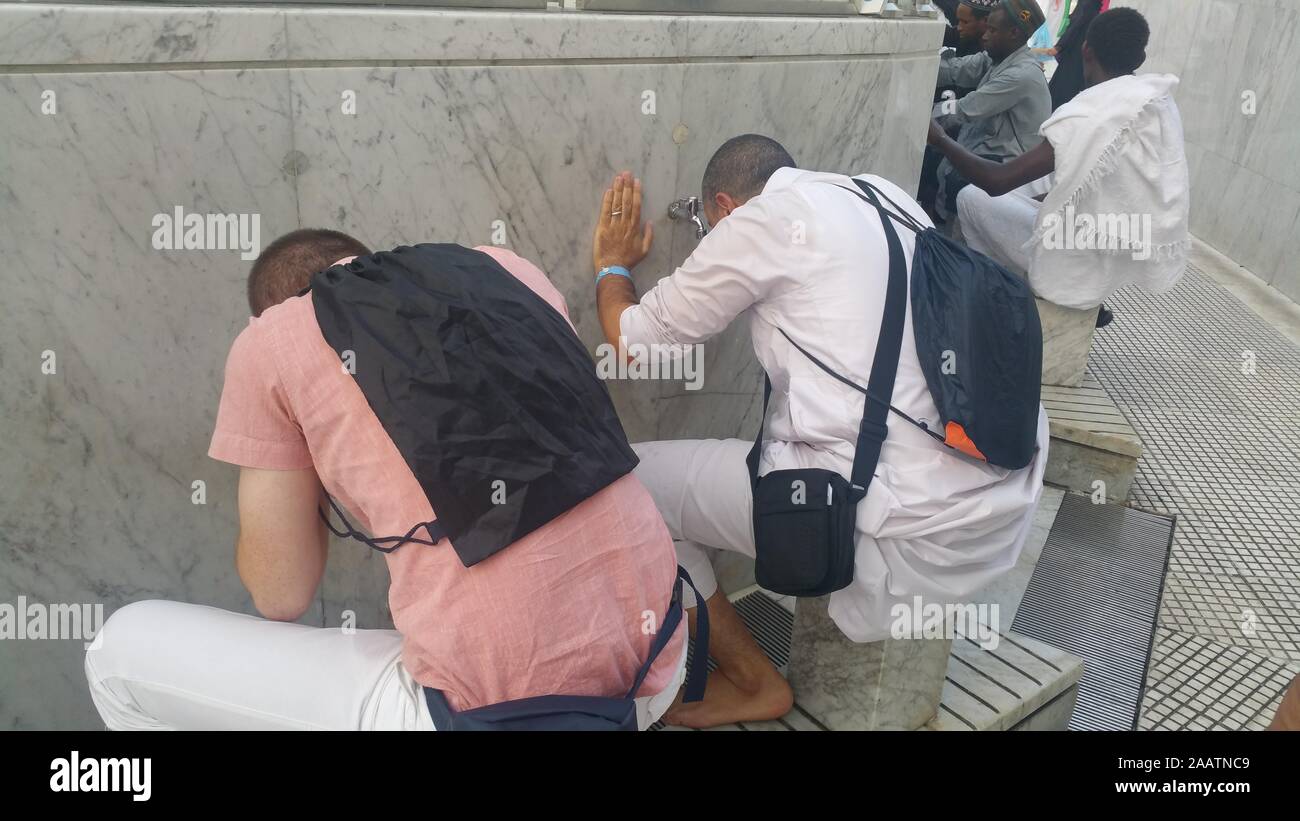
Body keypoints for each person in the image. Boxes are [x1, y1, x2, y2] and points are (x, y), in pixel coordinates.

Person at [84, 229, 688, 730]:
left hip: (509, 716)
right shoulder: (501, 265)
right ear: (367, 260)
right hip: (660, 661)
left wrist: (304, 449)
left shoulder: (269, 342)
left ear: (266, 313)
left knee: (117, 651)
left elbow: (281, 594)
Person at [590, 135, 1049, 729]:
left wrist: (612, 265)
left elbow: (637, 345)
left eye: (709, 226)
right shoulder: (883, 196)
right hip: (994, 509)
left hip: (894, 526)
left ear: (727, 207)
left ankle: (756, 683)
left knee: (627, 487)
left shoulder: (762, 221)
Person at [927, 7, 1189, 313]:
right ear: (1140, 60)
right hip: (1116, 249)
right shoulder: (1154, 100)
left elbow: (996, 182)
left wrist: (940, 140)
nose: (985, 34)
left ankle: (1005, 295)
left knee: (971, 195)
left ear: (1086, 49)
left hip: (1070, 264)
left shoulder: (1087, 113)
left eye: (992, 30)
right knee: (1038, 189)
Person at [924, 0, 1051, 223]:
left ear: (1013, 33)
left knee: (948, 170)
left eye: (992, 30)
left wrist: (914, 117)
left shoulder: (1021, 75)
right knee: (935, 160)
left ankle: (951, 234)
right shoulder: (997, 57)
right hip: (984, 146)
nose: (984, 35)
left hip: (1006, 165)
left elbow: (963, 109)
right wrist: (917, 64)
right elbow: (954, 70)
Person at [1045, 0, 1104, 109]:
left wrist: (1060, 46)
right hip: (1081, 51)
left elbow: (1077, 23)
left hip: (1075, 49)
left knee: (1063, 84)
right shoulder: (1095, 11)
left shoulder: (1086, 5)